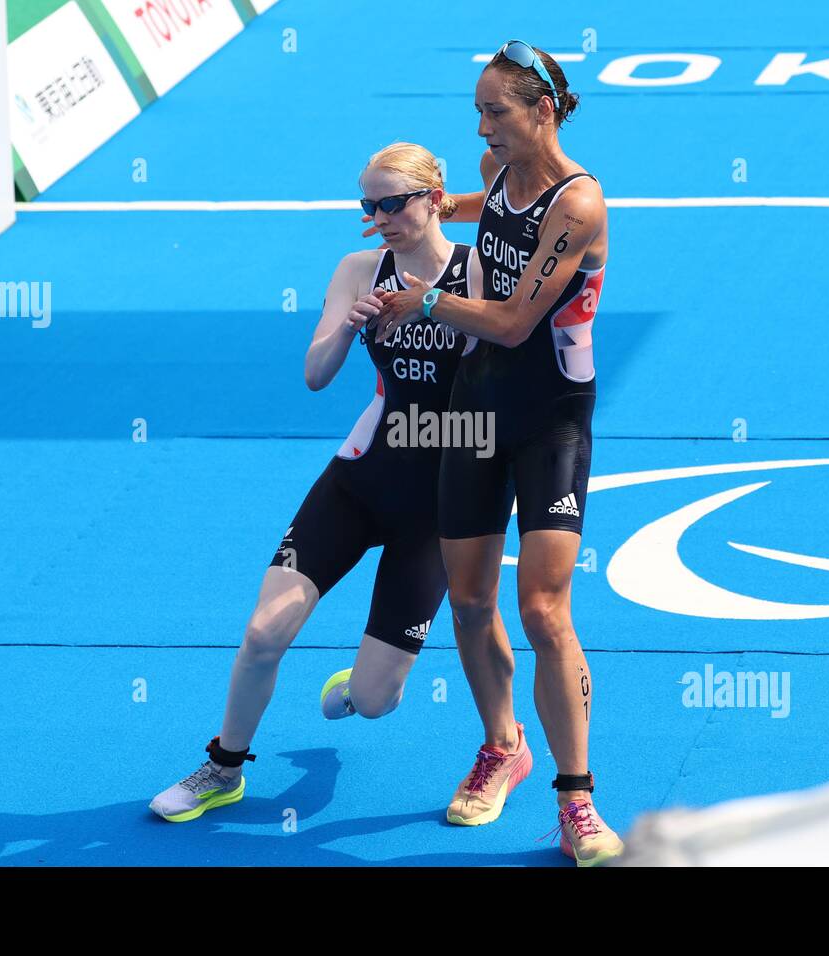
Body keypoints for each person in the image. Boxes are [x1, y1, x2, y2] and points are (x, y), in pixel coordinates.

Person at [149, 142, 482, 822]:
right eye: (369, 204)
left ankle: (359, 686)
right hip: (362, 480)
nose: (380, 216)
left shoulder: (482, 274)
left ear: (434, 197)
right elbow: (316, 373)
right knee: (266, 630)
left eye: (393, 202)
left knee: (377, 700)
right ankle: (224, 766)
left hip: (438, 507)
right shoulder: (360, 270)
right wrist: (353, 322)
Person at [373, 41, 623, 866]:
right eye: (479, 110)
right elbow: (493, 206)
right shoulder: (500, 169)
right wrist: (431, 208)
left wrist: (429, 298)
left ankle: (576, 799)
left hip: (550, 419)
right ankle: (500, 745)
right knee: (472, 603)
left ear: (541, 110)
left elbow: (515, 322)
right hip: (472, 411)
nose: (482, 125)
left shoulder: (580, 204)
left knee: (546, 612)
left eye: (495, 111)